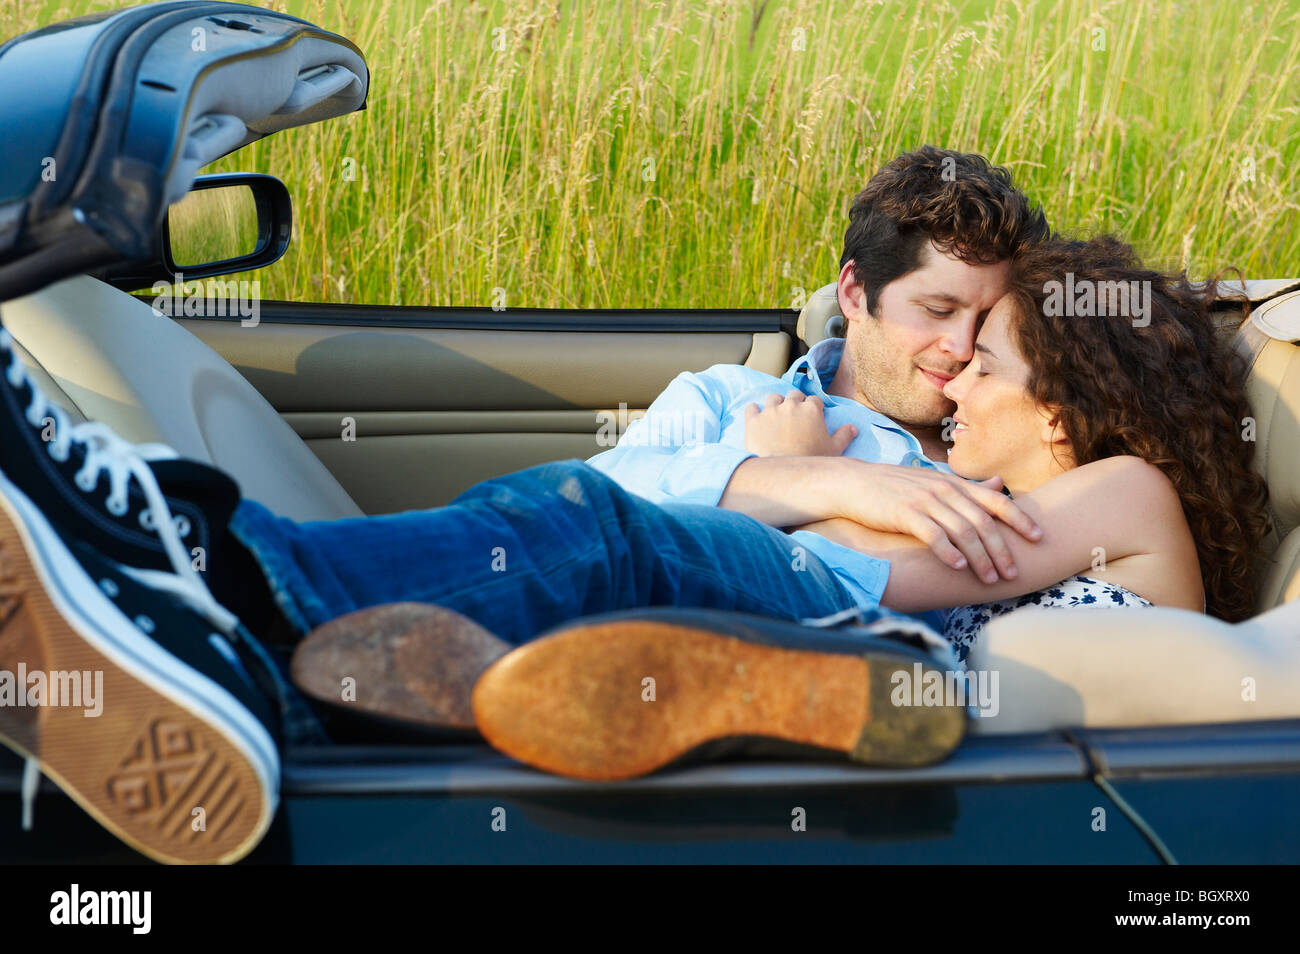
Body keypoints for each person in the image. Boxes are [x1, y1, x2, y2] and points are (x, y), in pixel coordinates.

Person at [0, 146, 1053, 863]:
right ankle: (239, 662)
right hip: (637, 604)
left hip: (822, 633)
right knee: (558, 523)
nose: (957, 350)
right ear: (856, 293)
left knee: (575, 527)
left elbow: (614, 526)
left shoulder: (1003, 426)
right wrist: (800, 475)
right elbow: (614, 503)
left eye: (982, 320)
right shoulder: (730, 400)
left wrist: (810, 484)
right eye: (935, 311)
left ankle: (213, 582)